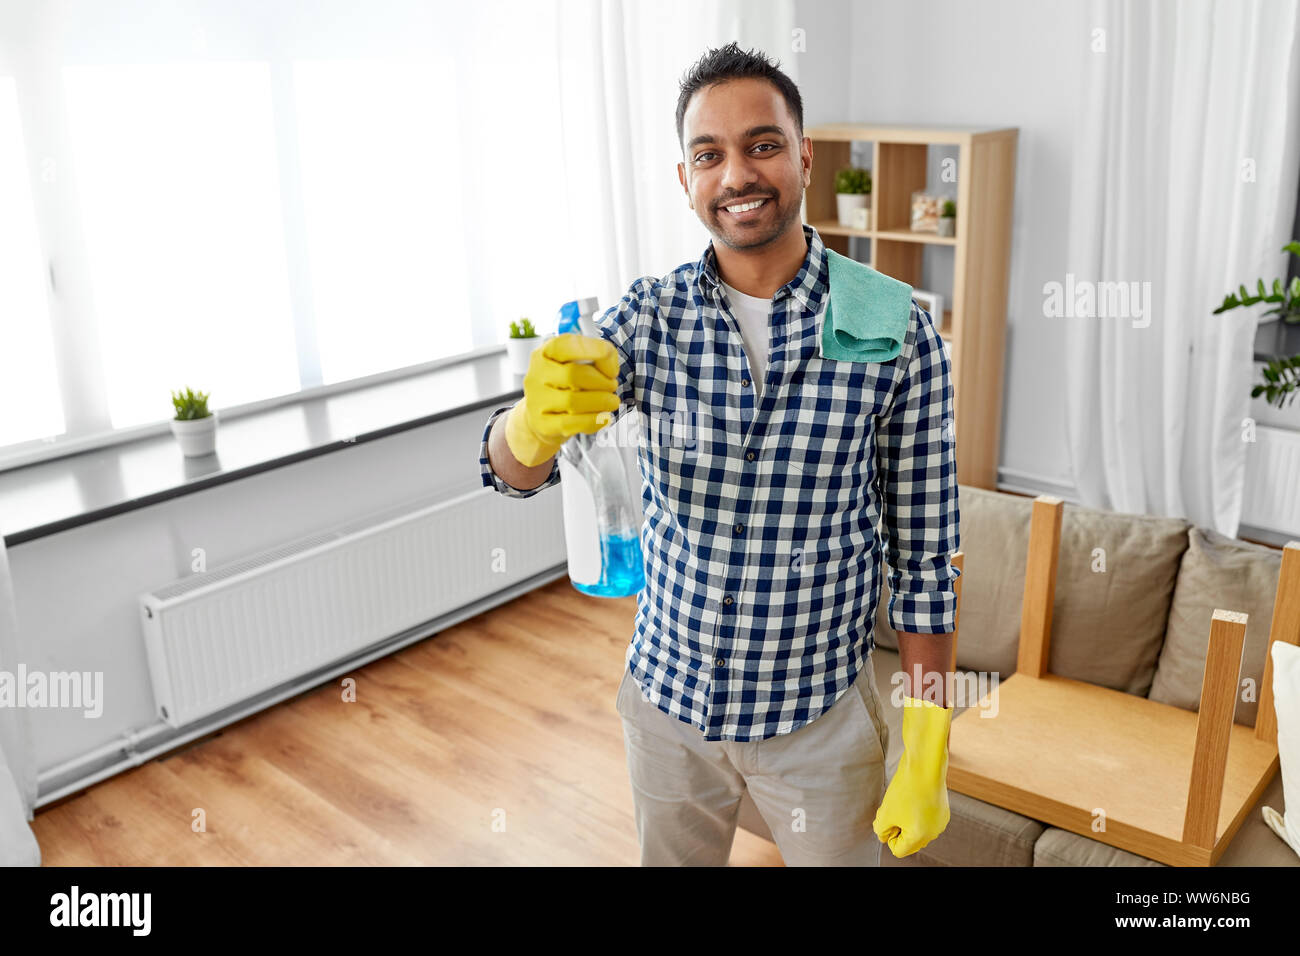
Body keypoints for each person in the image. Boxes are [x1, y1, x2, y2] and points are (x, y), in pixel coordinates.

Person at [479, 41, 960, 867]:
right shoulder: (648, 318)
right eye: (710, 154)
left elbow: (926, 565)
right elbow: (510, 474)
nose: (738, 174)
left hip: (817, 721)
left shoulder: (895, 329)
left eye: (762, 144)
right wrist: (527, 424)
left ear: (805, 156)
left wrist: (927, 741)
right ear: (687, 180)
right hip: (666, 705)